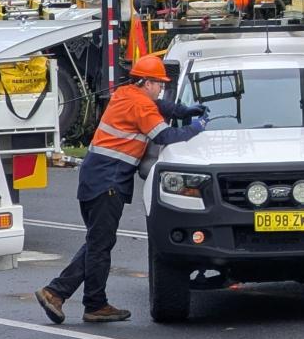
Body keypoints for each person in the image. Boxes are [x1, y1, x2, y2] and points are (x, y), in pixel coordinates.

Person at [36, 53, 207, 324]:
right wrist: (196, 128)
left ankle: (60, 293)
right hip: (108, 181)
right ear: (146, 83)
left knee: (97, 242)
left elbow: (159, 106)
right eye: (159, 83)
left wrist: (181, 111)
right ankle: (87, 302)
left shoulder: (126, 94)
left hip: (95, 178)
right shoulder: (141, 105)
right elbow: (164, 135)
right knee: (99, 245)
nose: (161, 89)